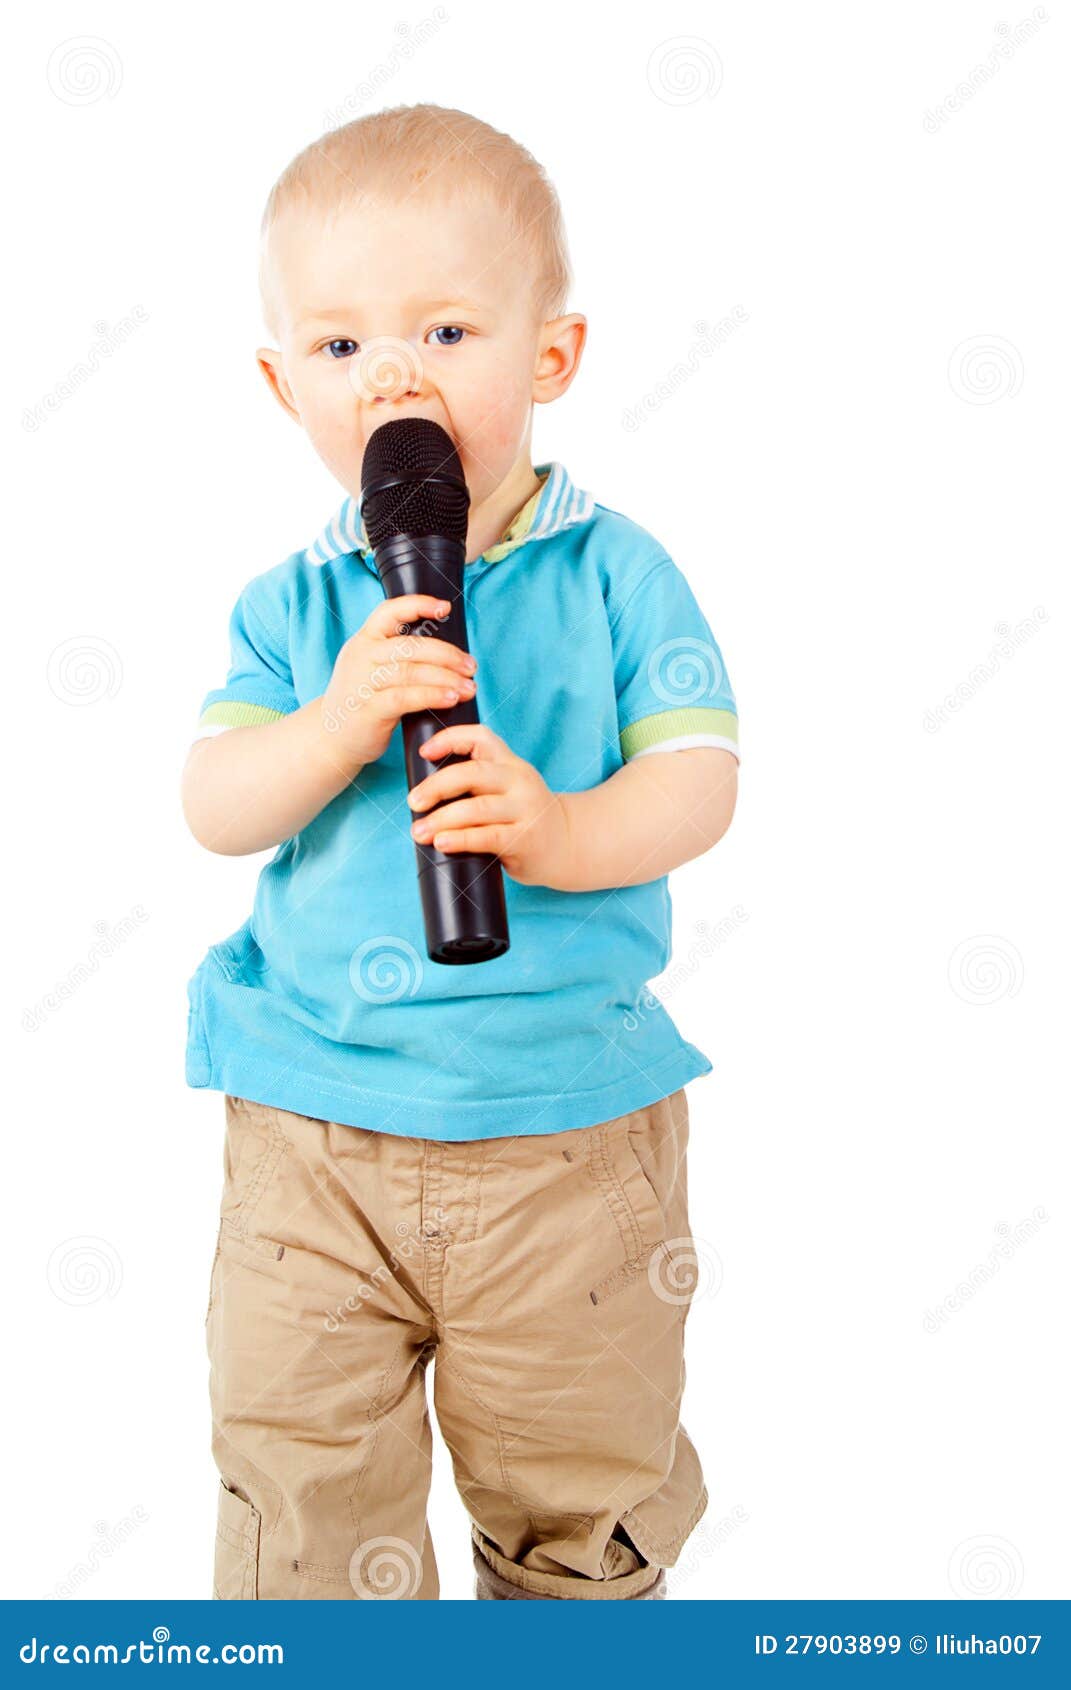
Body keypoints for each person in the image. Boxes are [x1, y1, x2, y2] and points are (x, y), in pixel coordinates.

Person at [182, 103, 739, 1600]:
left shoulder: (618, 571)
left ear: (548, 358)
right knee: (301, 1517)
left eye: (446, 327)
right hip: (314, 1145)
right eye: (343, 345)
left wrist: (558, 832)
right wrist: (332, 724)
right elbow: (218, 800)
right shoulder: (292, 608)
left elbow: (699, 783)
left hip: (567, 1147)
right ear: (281, 380)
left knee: (580, 1506)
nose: (398, 376)